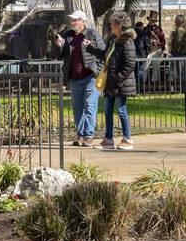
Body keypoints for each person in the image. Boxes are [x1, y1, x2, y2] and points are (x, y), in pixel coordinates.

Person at [54, 10, 105, 146]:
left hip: (90, 77)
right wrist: (59, 46)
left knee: (90, 106)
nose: (73, 22)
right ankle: (81, 135)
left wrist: (97, 71)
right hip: (74, 78)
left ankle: (88, 135)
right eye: (72, 20)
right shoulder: (68, 36)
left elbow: (103, 53)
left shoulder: (92, 34)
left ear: (83, 21)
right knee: (77, 108)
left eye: (76, 20)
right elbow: (60, 56)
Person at [100, 12, 137, 150]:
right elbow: (106, 56)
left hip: (121, 83)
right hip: (111, 82)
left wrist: (118, 78)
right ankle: (108, 139)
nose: (110, 26)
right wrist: (90, 47)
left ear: (119, 25)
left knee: (121, 110)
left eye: (113, 24)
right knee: (108, 110)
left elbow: (129, 64)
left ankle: (127, 138)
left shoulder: (127, 41)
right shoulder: (113, 40)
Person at [133, 20, 151, 92]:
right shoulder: (144, 34)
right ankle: (139, 88)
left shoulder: (132, 34)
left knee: (134, 73)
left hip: (132, 57)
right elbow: (148, 46)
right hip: (141, 57)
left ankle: (134, 88)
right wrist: (146, 54)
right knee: (139, 73)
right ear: (141, 27)